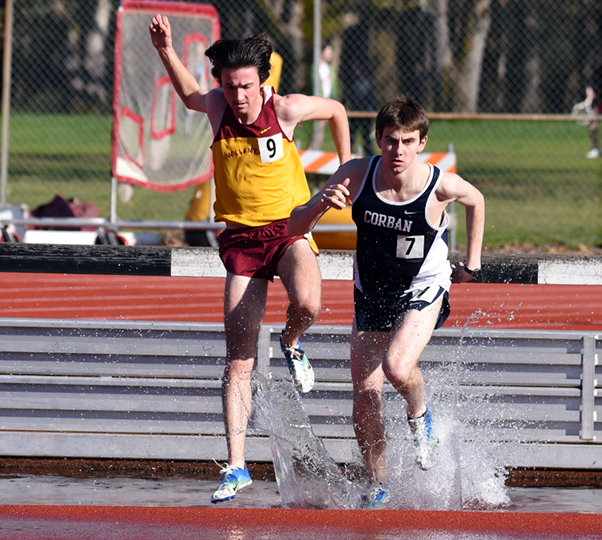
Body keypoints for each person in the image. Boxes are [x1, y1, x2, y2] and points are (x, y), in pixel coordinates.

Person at [149, 15, 351, 504]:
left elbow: (340, 110)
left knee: (310, 302)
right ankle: (237, 466)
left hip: (289, 229)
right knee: (238, 360)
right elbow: (190, 94)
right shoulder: (218, 106)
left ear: (263, 83)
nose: (238, 96)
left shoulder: (285, 109)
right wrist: (166, 50)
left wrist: (345, 175)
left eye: (246, 86)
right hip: (240, 240)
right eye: (231, 86)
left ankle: (292, 340)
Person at [288, 95, 485, 508]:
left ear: (421, 143)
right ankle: (379, 483)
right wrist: (323, 204)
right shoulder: (357, 174)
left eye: (407, 142)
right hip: (371, 292)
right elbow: (295, 224)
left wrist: (473, 261)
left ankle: (420, 417)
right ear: (378, 139)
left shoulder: (439, 184)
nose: (398, 151)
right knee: (365, 394)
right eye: (391, 141)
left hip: (422, 287)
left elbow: (477, 200)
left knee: (398, 365)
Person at [308, 43, 339, 150]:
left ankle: (316, 149)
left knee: (321, 128)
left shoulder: (329, 68)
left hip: (328, 100)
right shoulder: (316, 67)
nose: (331, 54)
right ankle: (312, 150)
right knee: (318, 128)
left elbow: (332, 84)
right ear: (322, 53)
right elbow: (314, 84)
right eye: (328, 52)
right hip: (319, 100)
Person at [346, 65, 376, 155]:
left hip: (357, 112)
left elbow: (347, 96)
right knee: (366, 137)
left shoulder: (353, 82)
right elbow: (373, 99)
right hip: (366, 112)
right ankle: (370, 154)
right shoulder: (368, 82)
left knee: (353, 136)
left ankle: (348, 153)